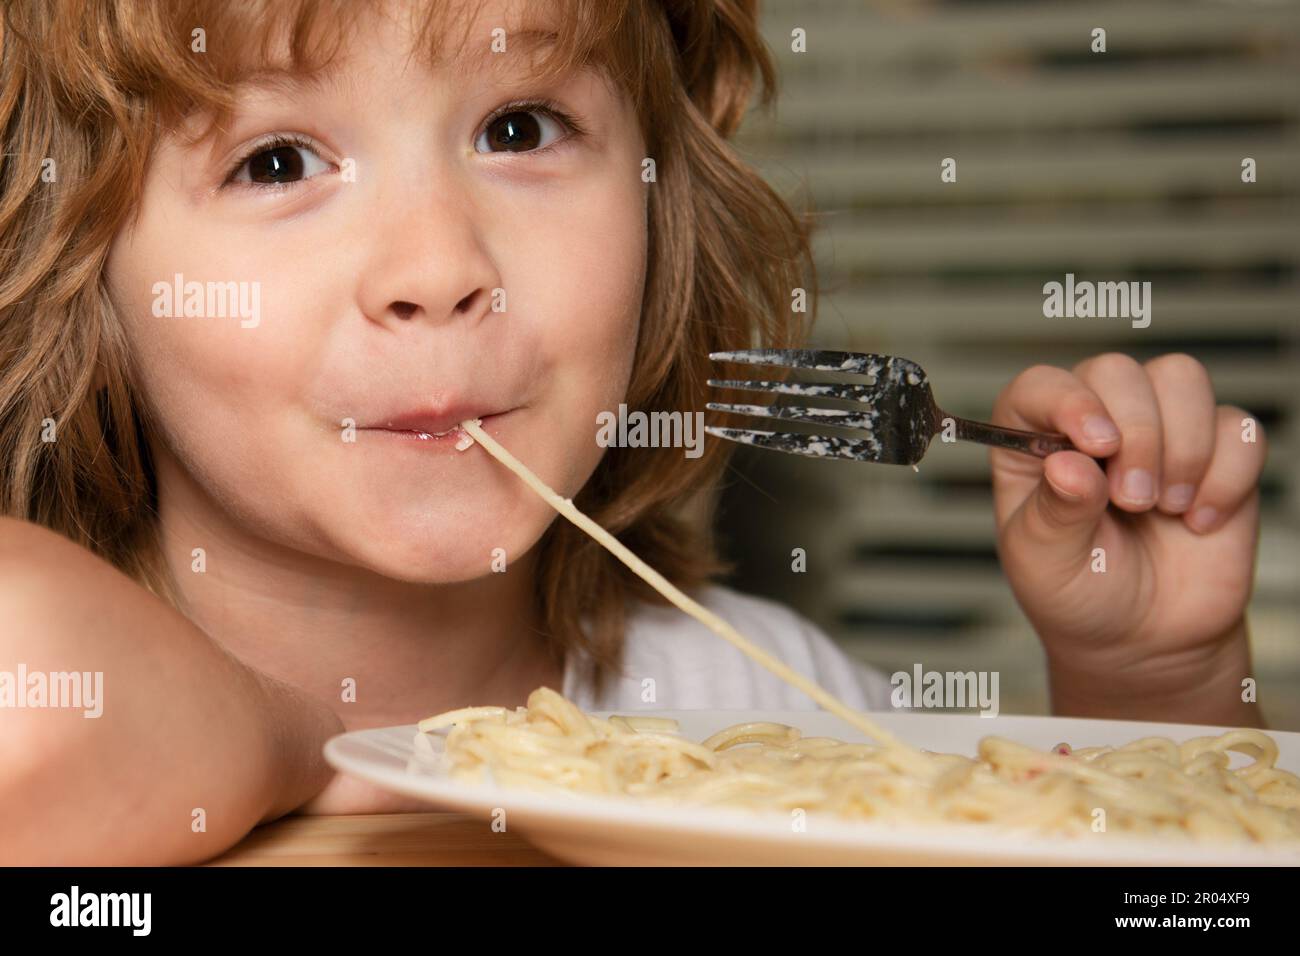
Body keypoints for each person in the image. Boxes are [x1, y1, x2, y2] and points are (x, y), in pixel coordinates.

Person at [0, 0, 1267, 863]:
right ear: (76, 268)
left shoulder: (772, 705)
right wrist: (304, 744)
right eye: (277, 162)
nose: (438, 266)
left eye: (519, 128)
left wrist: (1152, 694)